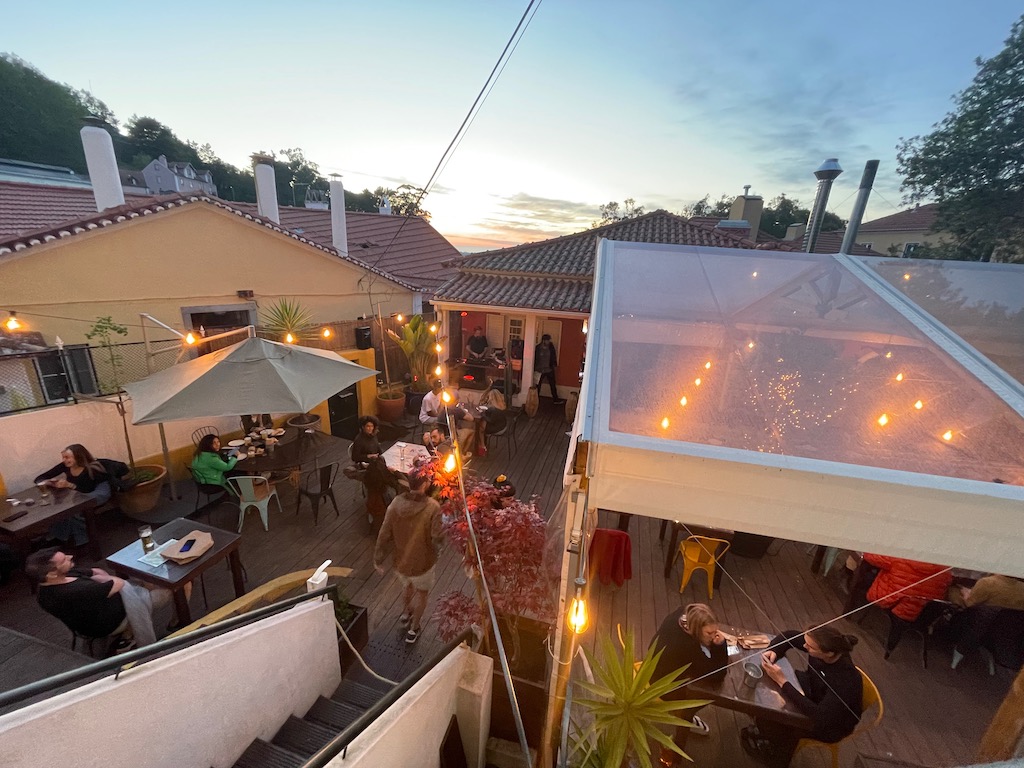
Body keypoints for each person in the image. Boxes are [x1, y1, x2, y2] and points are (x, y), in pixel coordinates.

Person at [742, 625, 862, 765]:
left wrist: (783, 681)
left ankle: (777, 757)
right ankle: (767, 732)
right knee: (769, 696)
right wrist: (774, 650)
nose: (805, 646)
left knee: (774, 715)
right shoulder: (822, 646)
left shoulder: (846, 680)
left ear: (829, 653)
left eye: (810, 647)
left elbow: (820, 716)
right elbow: (789, 636)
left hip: (830, 725)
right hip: (813, 692)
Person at [26, 547, 183, 648]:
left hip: (95, 617)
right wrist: (107, 582)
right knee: (174, 586)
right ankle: (177, 623)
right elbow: (117, 583)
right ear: (52, 574)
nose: (70, 556)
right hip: (110, 623)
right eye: (64, 560)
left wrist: (105, 582)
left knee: (144, 581)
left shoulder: (47, 587)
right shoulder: (74, 591)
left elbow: (96, 572)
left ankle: (128, 636)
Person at [650, 603, 728, 765]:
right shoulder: (688, 645)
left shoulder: (681, 613)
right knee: (706, 695)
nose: (713, 636)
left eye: (715, 631)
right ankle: (686, 717)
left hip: (652, 667)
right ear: (697, 629)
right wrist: (721, 646)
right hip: (663, 686)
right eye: (709, 633)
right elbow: (717, 674)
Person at [373, 474, 443, 645]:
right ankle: (414, 628)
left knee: (407, 586)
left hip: (401, 561)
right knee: (422, 594)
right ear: (425, 484)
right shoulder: (433, 507)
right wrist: (438, 551)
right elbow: (437, 537)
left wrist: (378, 558)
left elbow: (384, 533)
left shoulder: (396, 503)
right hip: (423, 562)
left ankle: (406, 613)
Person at [35, 444, 112, 546]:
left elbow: (87, 490)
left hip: (98, 492)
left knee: (75, 509)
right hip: (80, 492)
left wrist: (69, 485)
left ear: (78, 457)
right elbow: (39, 479)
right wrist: (48, 482)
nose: (64, 460)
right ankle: (59, 536)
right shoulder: (65, 466)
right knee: (58, 507)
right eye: (63, 457)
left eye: (67, 457)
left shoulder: (91, 469)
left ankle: (83, 540)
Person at [863, 553, 952, 621]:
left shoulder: (903, 558)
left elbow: (869, 556)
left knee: (867, 575)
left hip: (891, 602)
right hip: (919, 614)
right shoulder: (946, 572)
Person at [473, 380, 509, 457]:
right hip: (503, 425)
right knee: (482, 424)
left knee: (480, 429)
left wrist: (483, 414)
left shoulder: (495, 410)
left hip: (499, 428)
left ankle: (482, 446)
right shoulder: (501, 405)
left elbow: (490, 420)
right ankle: (482, 444)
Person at [950, 573, 1024, 611]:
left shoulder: (987, 582)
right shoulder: (1021, 587)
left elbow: (969, 605)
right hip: (1009, 631)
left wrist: (966, 594)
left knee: (953, 590)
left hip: (980, 623)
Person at [534, 334, 564, 404]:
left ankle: (555, 399)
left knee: (553, 384)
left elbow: (553, 355)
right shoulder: (538, 348)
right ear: (543, 340)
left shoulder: (551, 347)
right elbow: (535, 358)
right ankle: (535, 400)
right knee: (538, 385)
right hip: (540, 370)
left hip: (549, 369)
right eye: (547, 340)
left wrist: (554, 364)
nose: (548, 341)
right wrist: (535, 367)